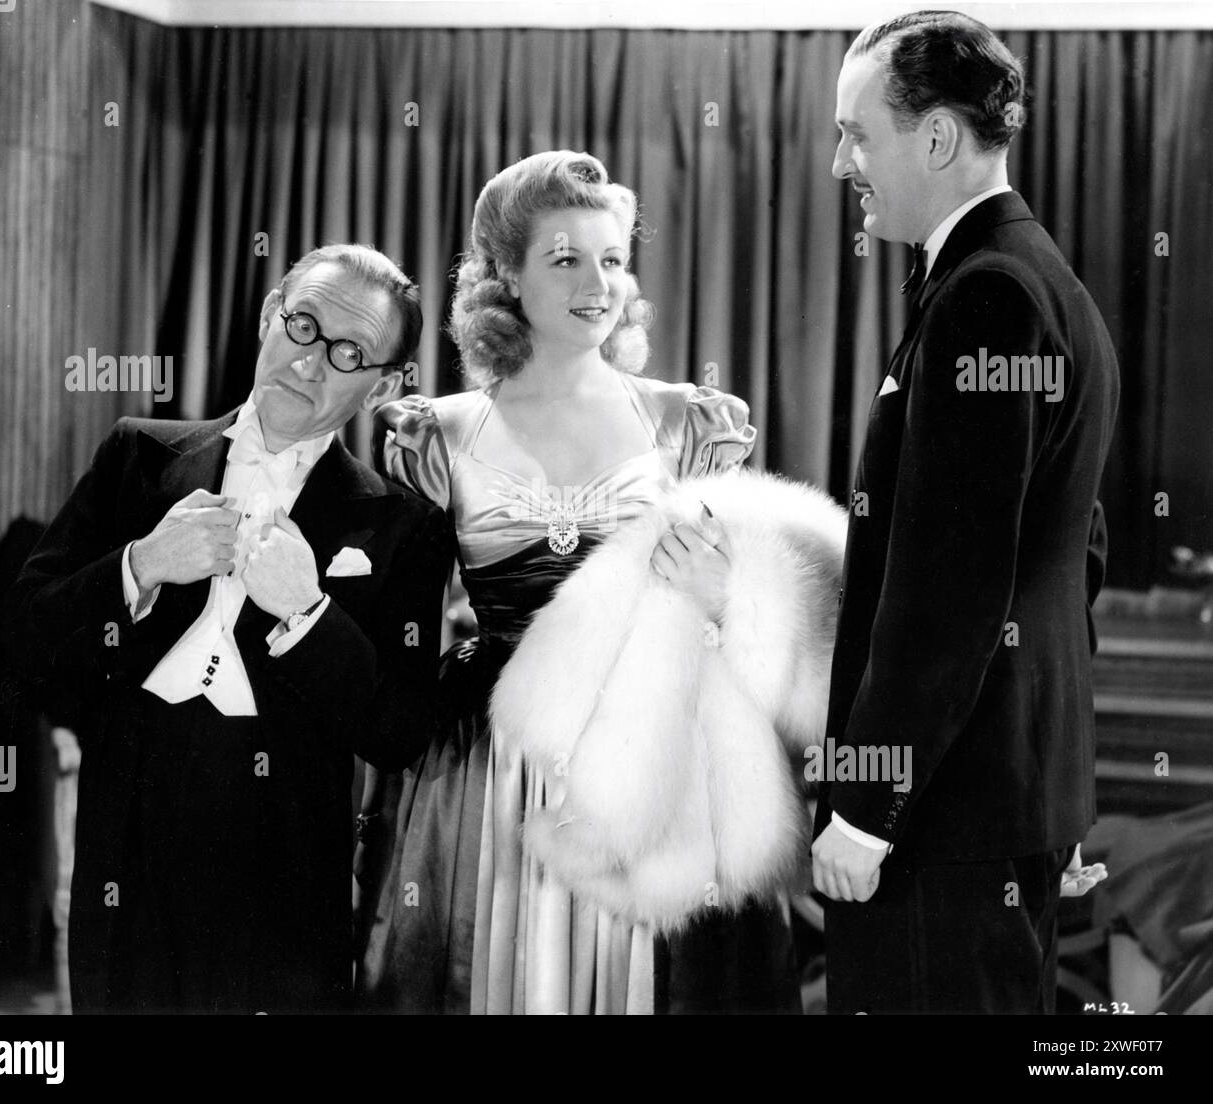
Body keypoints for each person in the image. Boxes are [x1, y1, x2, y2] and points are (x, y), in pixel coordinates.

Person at [355, 150, 834, 1014]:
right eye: (565, 257)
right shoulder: (435, 437)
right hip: (492, 775)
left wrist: (729, 599)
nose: (598, 283)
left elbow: (765, 623)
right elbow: (404, 635)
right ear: (504, 274)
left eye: (611, 259)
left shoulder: (690, 424)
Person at [8, 244, 452, 1013]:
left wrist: (311, 615)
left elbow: (401, 731)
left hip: (281, 860)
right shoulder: (137, 455)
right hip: (127, 833)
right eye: (303, 325)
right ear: (266, 315)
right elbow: (25, 639)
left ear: (379, 385)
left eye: (349, 354)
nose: (311, 365)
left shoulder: (403, 524)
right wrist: (141, 564)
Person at [813, 10, 1119, 1013]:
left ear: (935, 137)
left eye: (857, 135)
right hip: (998, 798)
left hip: (946, 816)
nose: (840, 164)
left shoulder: (986, 295)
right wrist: (1055, 788)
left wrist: (866, 810)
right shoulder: (1032, 279)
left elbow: (951, 590)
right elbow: (1079, 553)